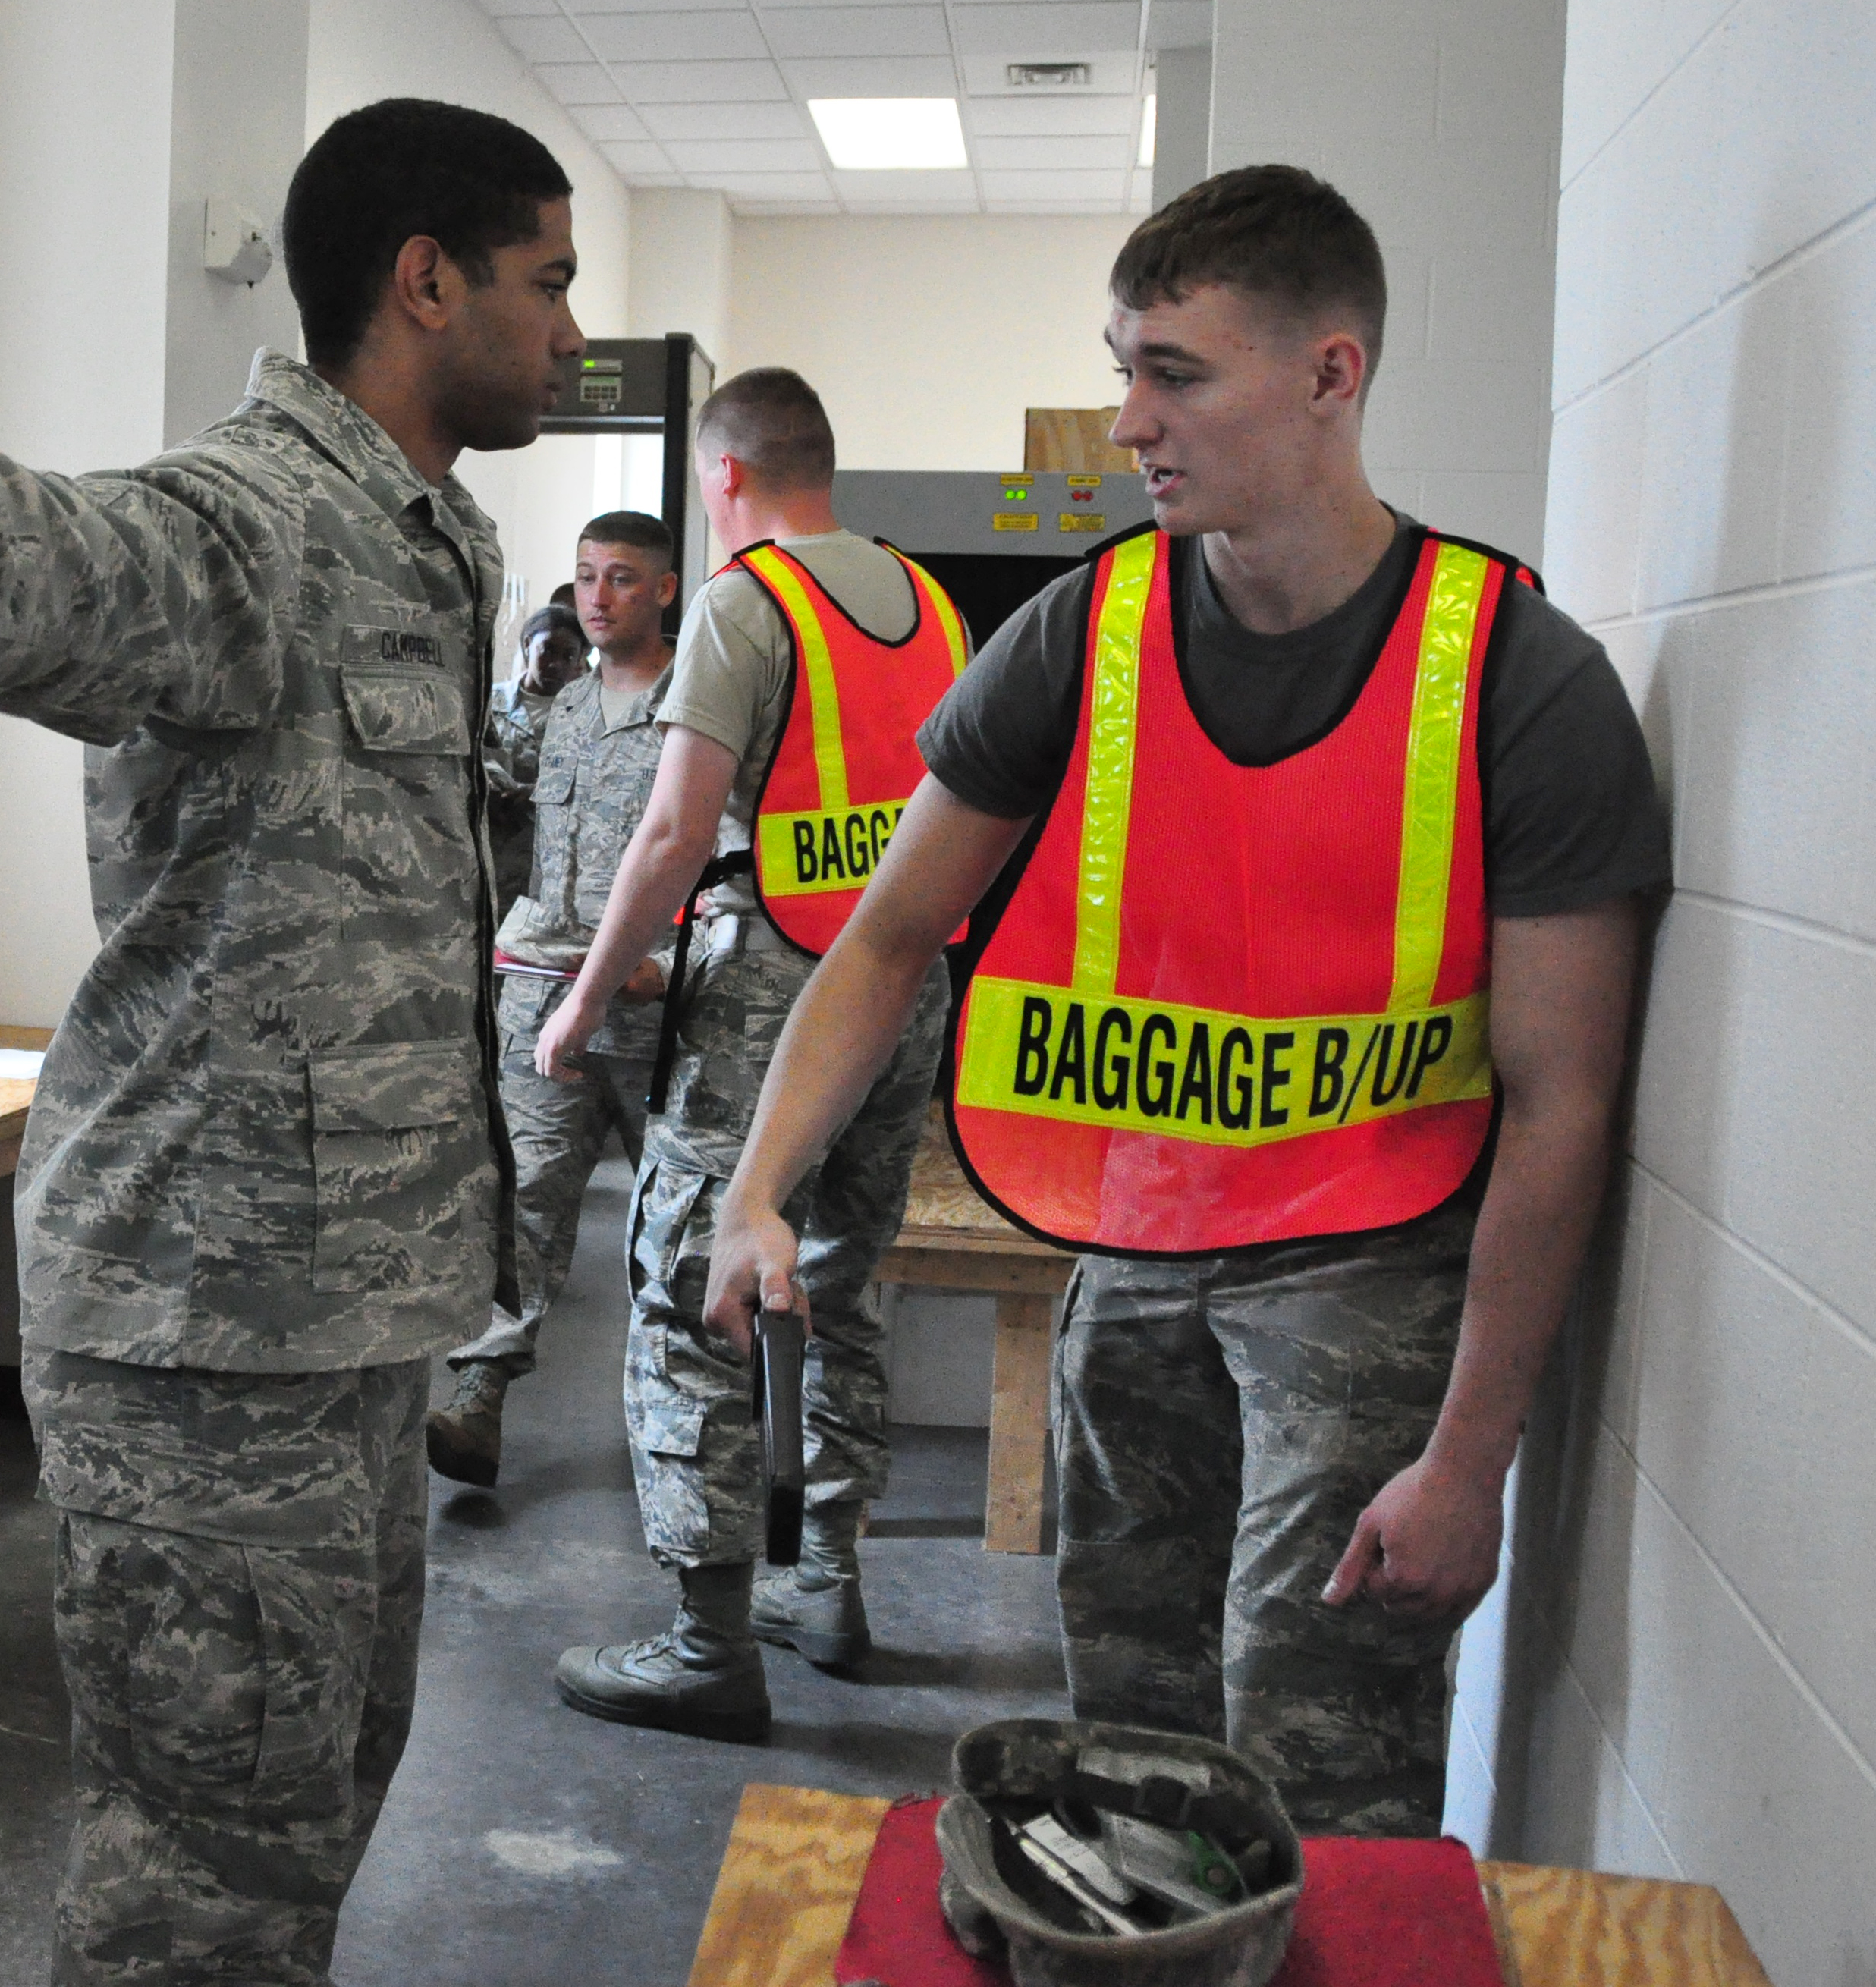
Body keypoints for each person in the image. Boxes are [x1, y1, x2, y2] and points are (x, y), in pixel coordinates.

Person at [0, 99, 581, 1986]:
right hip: (208, 1332)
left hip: (343, 1310)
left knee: (324, 1791)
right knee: (201, 1880)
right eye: (550, 283)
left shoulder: (438, 542)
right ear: (426, 284)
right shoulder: (268, 516)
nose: (572, 331)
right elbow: (99, 572)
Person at [705, 167, 1667, 1835]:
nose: (1125, 417)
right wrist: (751, 1187)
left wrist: (1465, 1459)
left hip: (1366, 1280)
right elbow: (878, 940)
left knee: (1319, 1772)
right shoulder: (1085, 628)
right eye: (1119, 365)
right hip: (1130, 1264)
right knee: (1125, 1763)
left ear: (1327, 372)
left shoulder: (1514, 673)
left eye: (1173, 372)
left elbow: (1564, 1099)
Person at [533, 369, 973, 1737]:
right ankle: (822, 1580)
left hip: (771, 989)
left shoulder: (742, 605)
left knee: (692, 1288)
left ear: (721, 478)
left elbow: (670, 834)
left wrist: (581, 996)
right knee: (837, 1282)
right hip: (903, 981)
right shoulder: (930, 603)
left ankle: (703, 1637)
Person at [429, 515, 680, 1485]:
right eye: (584, 577)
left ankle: (672, 1425)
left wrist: (675, 959)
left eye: (620, 578)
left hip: (658, 1003)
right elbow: (498, 795)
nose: (597, 596)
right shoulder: (561, 708)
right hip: (542, 995)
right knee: (524, 1196)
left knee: (669, 1214)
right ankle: (479, 1401)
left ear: (661, 591)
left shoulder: (696, 707)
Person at [482, 602, 587, 907]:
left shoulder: (585, 715)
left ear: (580, 659)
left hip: (553, 867)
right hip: (493, 857)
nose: (556, 663)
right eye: (548, 650)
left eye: (568, 655)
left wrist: (538, 794)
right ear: (528, 645)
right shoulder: (490, 701)